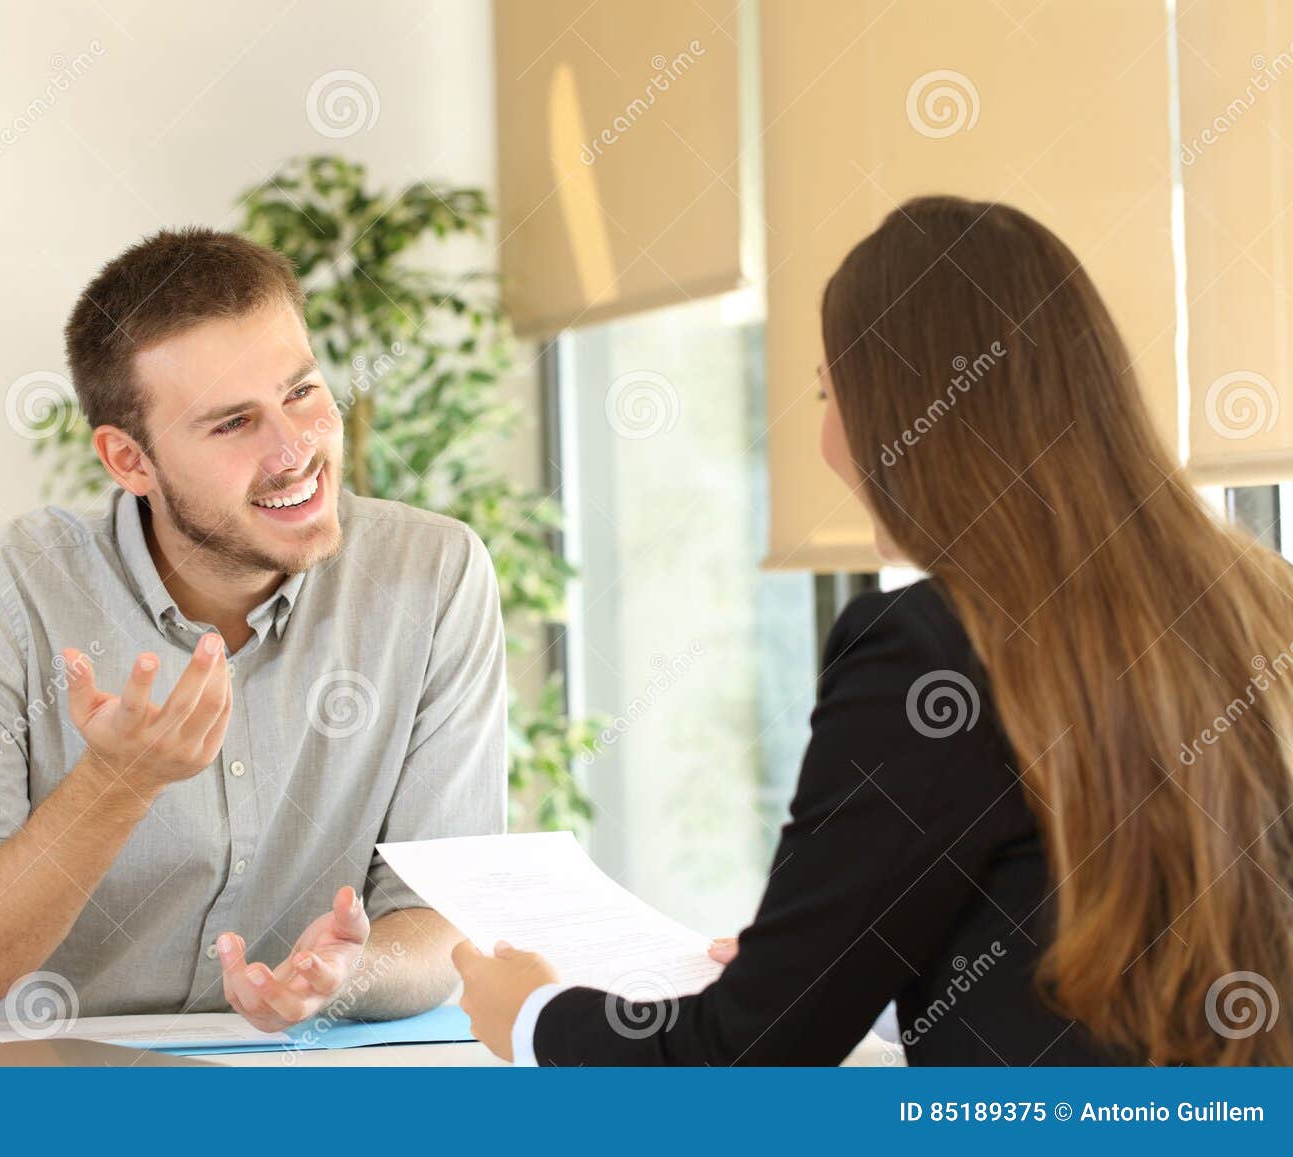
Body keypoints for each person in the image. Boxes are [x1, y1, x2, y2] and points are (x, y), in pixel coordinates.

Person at [454, 195, 1293, 1066]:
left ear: (908, 413)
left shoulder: (931, 647)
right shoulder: (1262, 605)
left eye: (830, 392)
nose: (823, 438)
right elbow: (1111, 962)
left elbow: (742, 1059)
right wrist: (851, 965)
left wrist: (533, 1013)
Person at [0, 227, 506, 1035]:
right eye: (233, 423)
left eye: (303, 393)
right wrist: (117, 783)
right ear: (129, 460)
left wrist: (348, 974)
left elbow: (438, 922)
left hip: (304, 1077)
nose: (296, 451)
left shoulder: (434, 574)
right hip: (59, 1088)